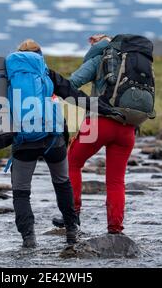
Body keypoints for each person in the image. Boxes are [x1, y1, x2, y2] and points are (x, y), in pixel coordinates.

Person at [0, 39, 120, 248]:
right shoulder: (47, 73)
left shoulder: (8, 78)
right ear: (40, 56)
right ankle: (72, 231)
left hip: (22, 141)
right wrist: (106, 109)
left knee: (21, 192)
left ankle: (29, 239)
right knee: (62, 183)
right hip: (53, 139)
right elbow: (76, 97)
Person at [52, 34, 137, 234]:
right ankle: (115, 228)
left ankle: (72, 216)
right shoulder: (133, 63)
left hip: (98, 122)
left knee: (72, 163)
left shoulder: (99, 59)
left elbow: (72, 82)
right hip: (127, 127)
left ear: (97, 45)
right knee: (116, 181)